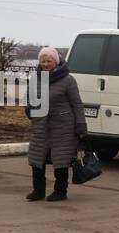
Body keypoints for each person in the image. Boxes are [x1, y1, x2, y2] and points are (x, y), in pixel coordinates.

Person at [26, 46, 87, 202]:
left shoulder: (68, 80)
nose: (46, 64)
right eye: (43, 61)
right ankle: (38, 190)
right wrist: (29, 109)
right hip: (41, 125)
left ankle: (60, 191)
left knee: (61, 159)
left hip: (63, 126)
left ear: (56, 61)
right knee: (36, 158)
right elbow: (29, 98)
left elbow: (77, 104)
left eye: (49, 61)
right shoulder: (35, 78)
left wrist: (81, 124)